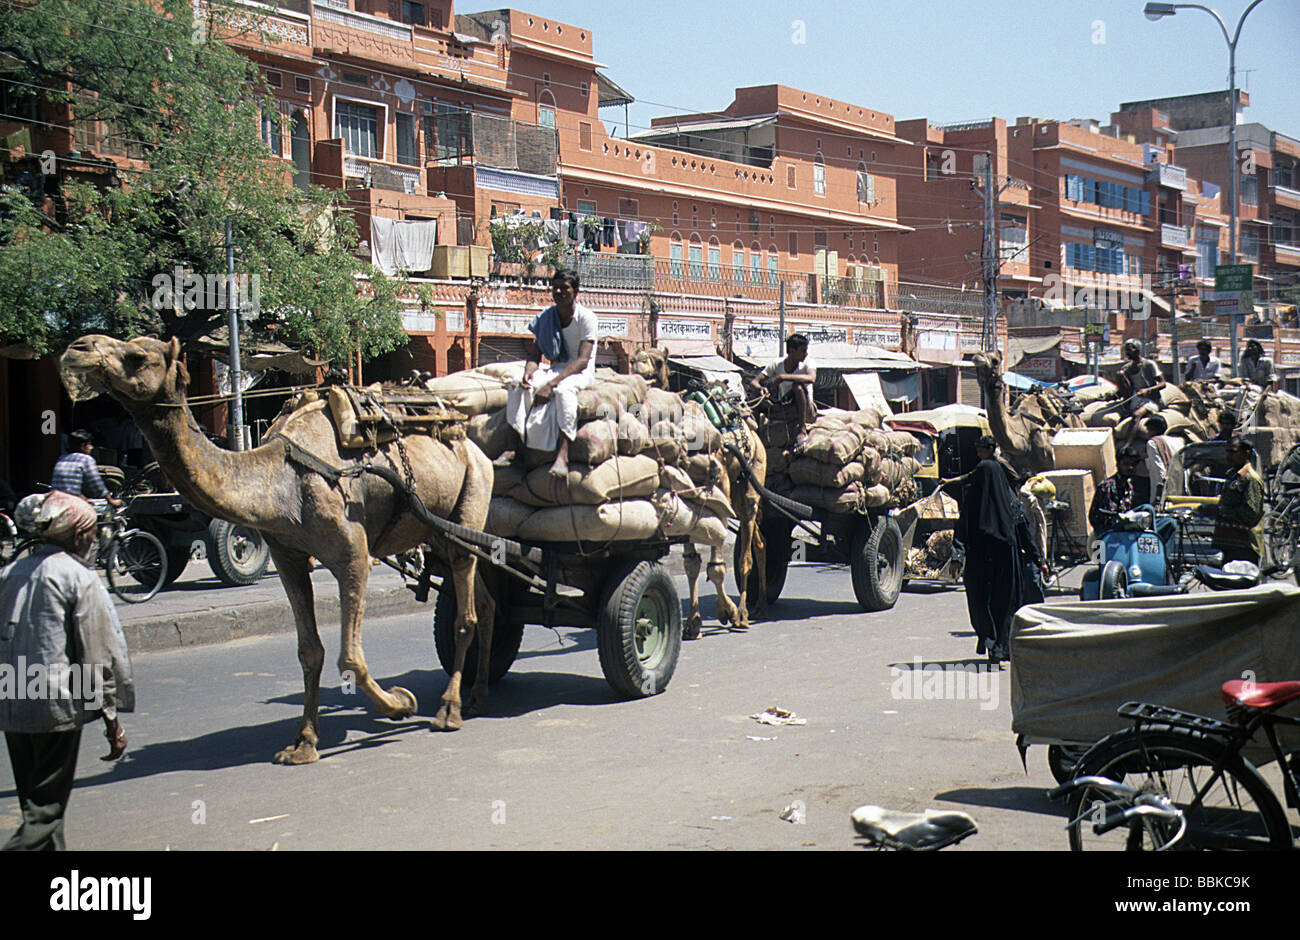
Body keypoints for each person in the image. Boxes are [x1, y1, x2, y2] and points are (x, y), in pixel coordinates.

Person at [0, 491, 133, 851]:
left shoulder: (10, 572)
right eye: (91, 532)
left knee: (38, 805)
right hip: (53, 705)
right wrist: (111, 721)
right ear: (78, 536)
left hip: (13, 698)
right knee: (43, 813)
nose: (93, 539)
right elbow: (95, 657)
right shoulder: (79, 578)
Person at [952, 445, 1044, 664]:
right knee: (991, 603)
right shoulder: (1006, 502)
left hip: (983, 561)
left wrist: (1037, 559)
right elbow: (1022, 532)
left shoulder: (983, 503)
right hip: (1002, 560)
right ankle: (994, 643)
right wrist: (957, 557)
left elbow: (962, 531)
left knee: (994, 603)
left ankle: (996, 645)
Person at [506, 269, 598, 478]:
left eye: (564, 288)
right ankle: (513, 447)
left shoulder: (586, 318)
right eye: (555, 287)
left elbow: (582, 360)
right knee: (515, 384)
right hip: (556, 367)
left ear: (575, 291)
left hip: (579, 371)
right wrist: (529, 372)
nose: (559, 292)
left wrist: (551, 384)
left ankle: (562, 454)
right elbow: (535, 355)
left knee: (564, 392)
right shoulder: (548, 317)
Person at [752, 333, 817, 449]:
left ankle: (802, 430)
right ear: (792, 351)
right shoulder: (777, 364)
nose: (806, 354)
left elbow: (811, 378)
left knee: (797, 387)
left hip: (806, 410)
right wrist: (761, 388)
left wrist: (783, 377)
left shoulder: (808, 363)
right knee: (755, 396)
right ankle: (756, 434)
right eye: (803, 351)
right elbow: (754, 382)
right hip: (786, 409)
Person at [1213, 436, 1266, 566]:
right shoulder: (1233, 475)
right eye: (1227, 451)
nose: (1228, 455)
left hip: (1244, 546)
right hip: (1231, 545)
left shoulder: (1250, 479)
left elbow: (1251, 513)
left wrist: (1221, 511)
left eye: (1233, 452)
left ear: (1246, 453)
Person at [51, 430, 123, 509]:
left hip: (55, 501)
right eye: (89, 444)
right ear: (82, 446)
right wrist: (111, 500)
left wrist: (83, 498)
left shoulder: (62, 458)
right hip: (70, 503)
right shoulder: (86, 459)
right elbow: (96, 485)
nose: (91, 447)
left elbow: (67, 487)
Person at [1118, 339, 1165, 452]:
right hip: (1135, 399)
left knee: (1136, 416)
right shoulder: (1126, 368)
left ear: (1137, 350)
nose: (1127, 353)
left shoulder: (1149, 364)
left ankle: (1127, 445)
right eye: (1126, 350)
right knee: (1119, 375)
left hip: (1151, 400)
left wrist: (1148, 390)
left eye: (1130, 350)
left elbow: (1163, 383)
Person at [1089, 448, 1149, 532]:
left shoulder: (1129, 486)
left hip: (1123, 525)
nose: (1130, 468)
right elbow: (1109, 516)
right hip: (1108, 530)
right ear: (1118, 465)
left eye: (1134, 464)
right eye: (1126, 464)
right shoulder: (1108, 486)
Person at [1137, 414, 1181, 504]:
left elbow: (1159, 471)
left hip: (1164, 492)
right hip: (1180, 488)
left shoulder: (1153, 443)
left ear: (1152, 430)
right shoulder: (1178, 441)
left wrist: (1157, 499)